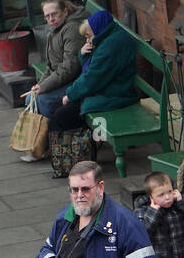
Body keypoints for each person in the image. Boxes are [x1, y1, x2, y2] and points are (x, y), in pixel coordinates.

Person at [44, 9, 136, 159]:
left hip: (115, 93)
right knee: (56, 107)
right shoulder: (107, 38)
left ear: (98, 30)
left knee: (62, 113)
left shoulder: (111, 46)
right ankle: (67, 155)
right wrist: (83, 53)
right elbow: (92, 70)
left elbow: (93, 78)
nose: (88, 40)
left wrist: (71, 94)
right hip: (105, 88)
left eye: (88, 36)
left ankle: (79, 156)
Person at [18, 0, 88, 164]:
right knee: (31, 98)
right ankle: (40, 145)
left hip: (75, 80)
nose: (51, 19)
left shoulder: (71, 30)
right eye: (47, 16)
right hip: (62, 78)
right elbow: (50, 65)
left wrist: (44, 87)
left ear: (65, 11)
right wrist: (39, 84)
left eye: (54, 14)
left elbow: (69, 68)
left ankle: (54, 145)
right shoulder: (55, 31)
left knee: (43, 101)